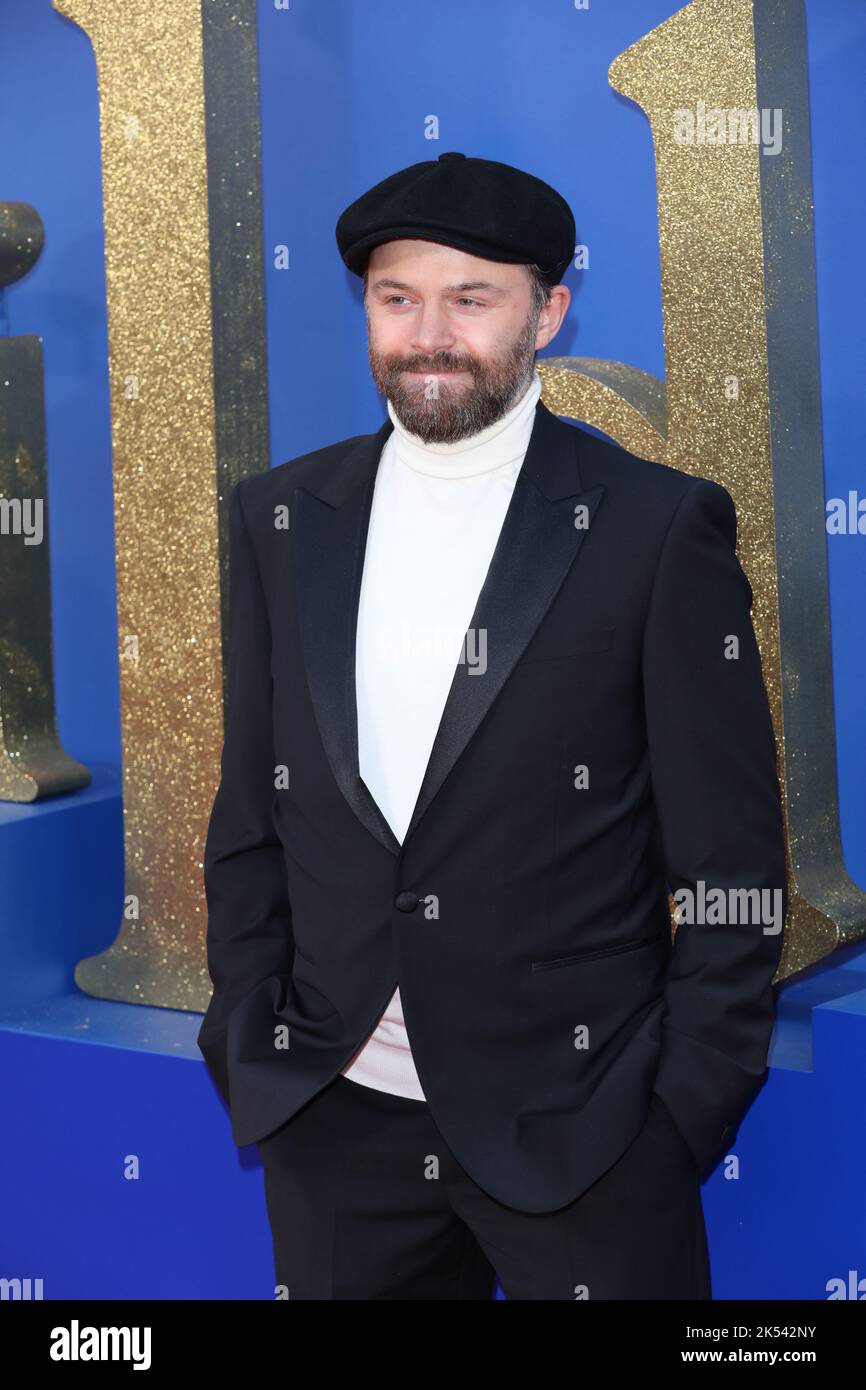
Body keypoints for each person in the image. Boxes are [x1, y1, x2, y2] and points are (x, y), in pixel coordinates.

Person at [197, 151, 787, 1300]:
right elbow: (251, 812)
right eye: (395, 296)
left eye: (470, 299)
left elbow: (730, 864)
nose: (428, 334)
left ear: (547, 312)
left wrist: (673, 1118)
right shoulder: (278, 516)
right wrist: (252, 1037)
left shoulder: (654, 530)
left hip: (586, 1133)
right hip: (334, 1125)